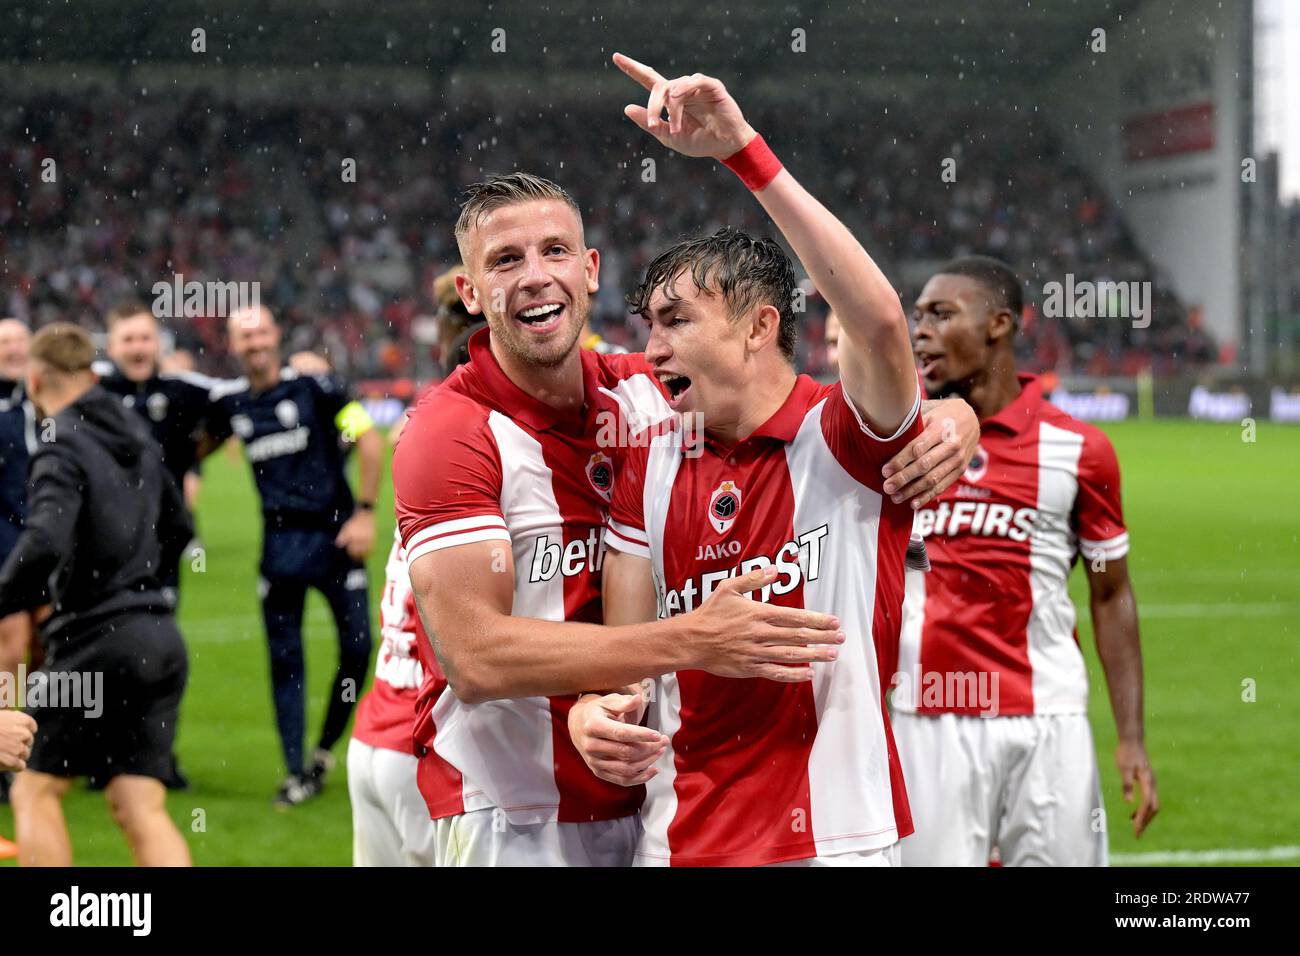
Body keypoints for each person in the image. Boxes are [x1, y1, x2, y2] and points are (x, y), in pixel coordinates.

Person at [565, 54, 977, 867]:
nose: (651, 349)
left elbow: (880, 326)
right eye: (647, 325)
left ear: (758, 326)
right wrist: (594, 710)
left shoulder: (845, 438)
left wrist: (743, 153)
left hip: (834, 844)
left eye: (676, 320)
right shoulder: (647, 462)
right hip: (675, 842)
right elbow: (627, 659)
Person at [891, 255, 1158, 865]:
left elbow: (1111, 592)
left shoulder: (1080, 451)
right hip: (927, 717)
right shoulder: (897, 444)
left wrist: (1132, 739)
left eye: (941, 314)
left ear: (999, 324)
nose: (920, 330)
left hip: (1046, 717)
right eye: (917, 315)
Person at [1, 323, 192, 866]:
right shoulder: (135, 431)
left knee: (33, 789)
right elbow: (179, 525)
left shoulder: (58, 439)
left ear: (36, 378)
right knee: (138, 804)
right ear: (91, 373)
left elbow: (42, 542)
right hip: (159, 637)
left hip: (94, 643)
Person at [205, 306, 381, 807]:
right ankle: (296, 769)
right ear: (233, 346)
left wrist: (366, 513)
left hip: (334, 539)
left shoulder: (318, 389)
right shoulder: (232, 403)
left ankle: (323, 750)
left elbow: (367, 439)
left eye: (260, 331)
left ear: (275, 336)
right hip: (278, 548)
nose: (254, 342)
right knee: (285, 660)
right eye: (244, 335)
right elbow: (199, 444)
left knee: (357, 648)